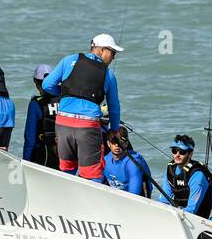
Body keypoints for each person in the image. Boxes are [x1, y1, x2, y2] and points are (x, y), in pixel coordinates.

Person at [41, 33, 123, 182]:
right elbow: (114, 108)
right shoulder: (109, 75)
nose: (114, 57)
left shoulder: (68, 60)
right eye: (113, 52)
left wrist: (66, 94)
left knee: (67, 170)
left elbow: (46, 85)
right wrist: (114, 131)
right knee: (93, 175)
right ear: (102, 50)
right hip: (88, 126)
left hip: (63, 123)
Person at [159, 133, 212, 217]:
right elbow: (164, 199)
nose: (177, 155)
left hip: (195, 219)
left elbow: (192, 210)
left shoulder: (197, 175)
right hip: (177, 213)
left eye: (182, 152)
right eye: (174, 151)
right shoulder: (170, 169)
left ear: (190, 153)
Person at [22, 64, 59, 168]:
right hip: (66, 155)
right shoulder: (65, 100)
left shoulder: (36, 104)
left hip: (45, 155)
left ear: (35, 82)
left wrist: (26, 163)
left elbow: (30, 139)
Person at [102, 128, 152, 197]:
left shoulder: (132, 164)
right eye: (113, 142)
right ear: (108, 143)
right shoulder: (105, 160)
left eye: (120, 142)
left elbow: (134, 195)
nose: (117, 145)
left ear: (126, 143)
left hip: (136, 201)